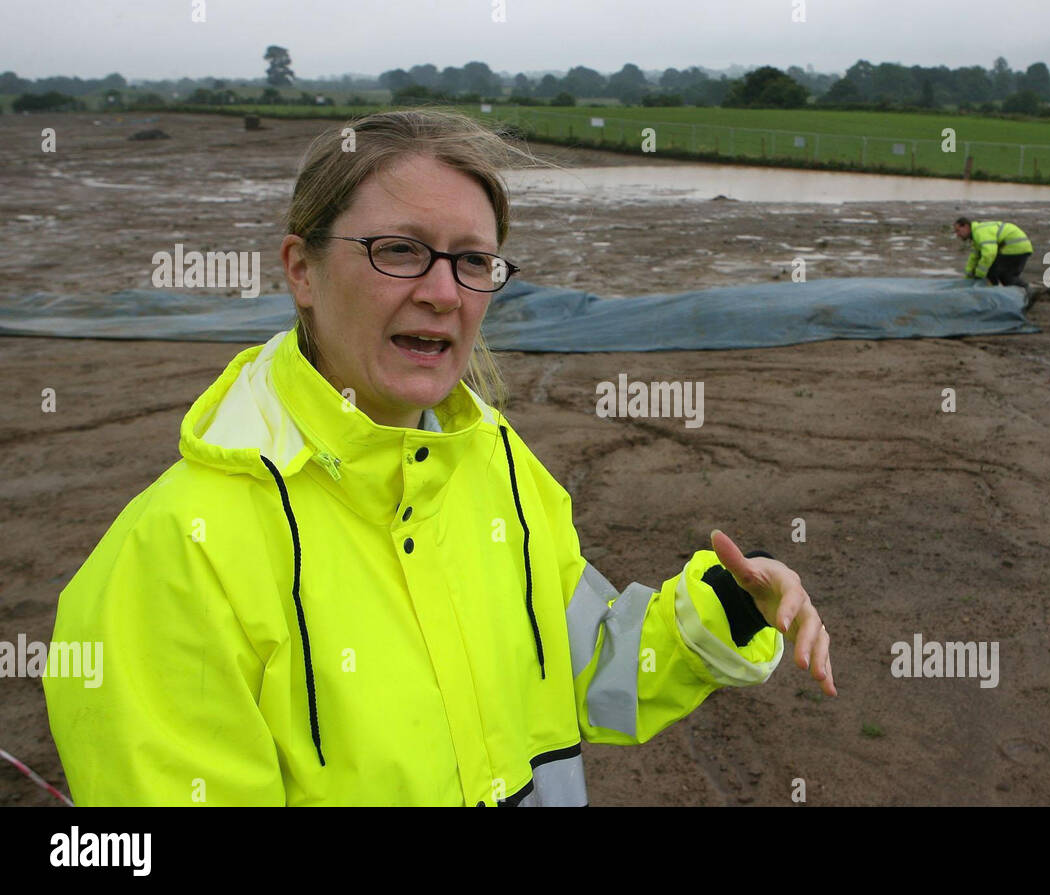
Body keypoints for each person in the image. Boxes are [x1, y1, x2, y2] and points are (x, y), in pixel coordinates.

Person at [43, 110, 836, 807]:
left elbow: (585, 666)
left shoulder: (498, 469)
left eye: (471, 261)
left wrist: (731, 605)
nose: (443, 293)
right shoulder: (175, 557)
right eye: (400, 251)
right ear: (300, 269)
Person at [953, 217, 1033, 288]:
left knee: (1002, 275)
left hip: (1015, 247)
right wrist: (968, 278)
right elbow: (974, 257)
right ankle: (995, 290)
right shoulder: (976, 235)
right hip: (1018, 247)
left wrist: (980, 274)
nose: (957, 234)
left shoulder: (979, 232)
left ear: (966, 226)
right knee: (1002, 275)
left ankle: (1026, 292)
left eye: (958, 231)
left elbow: (989, 254)